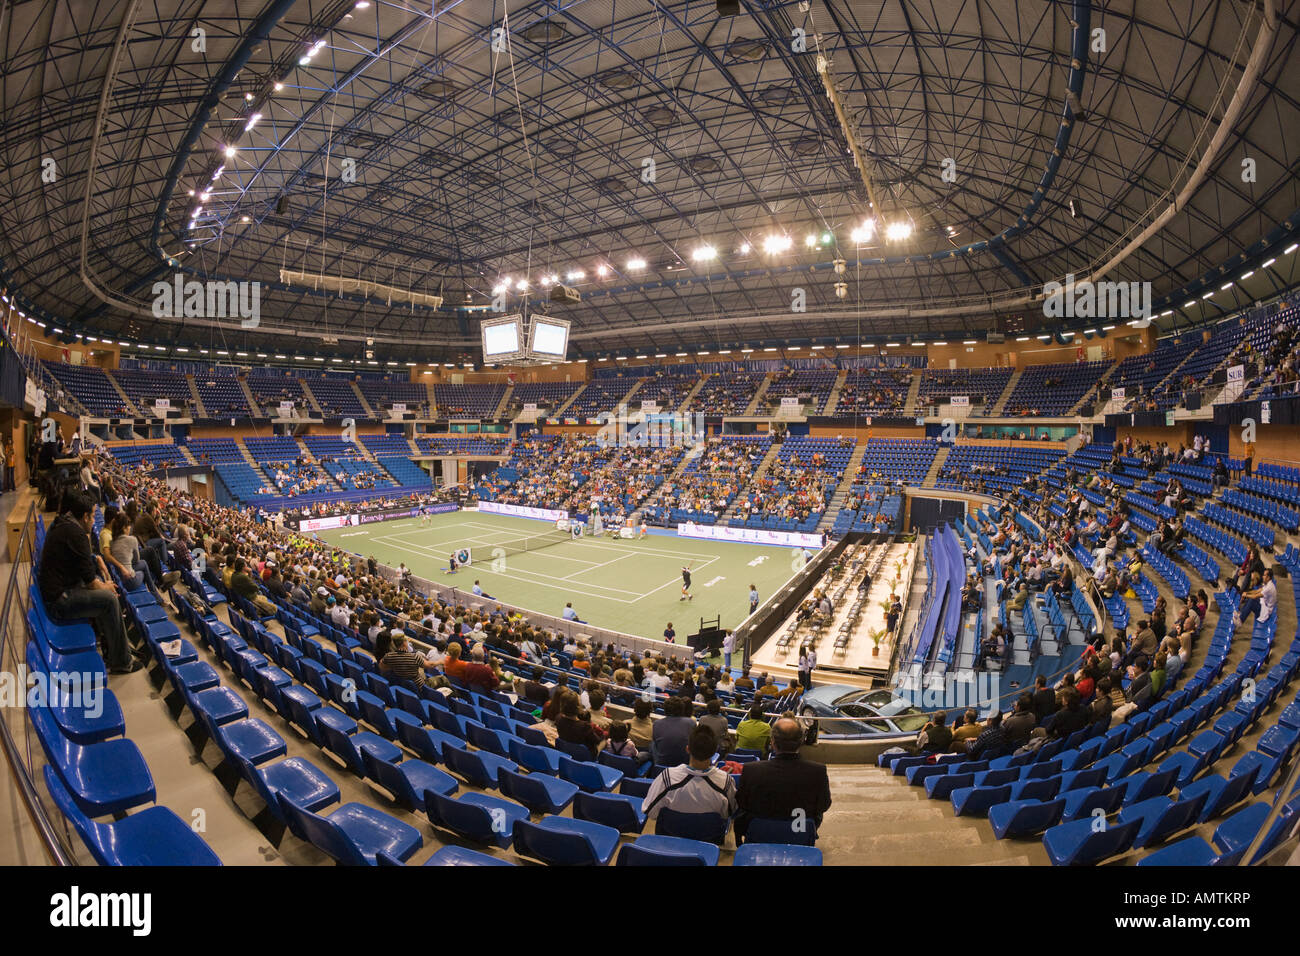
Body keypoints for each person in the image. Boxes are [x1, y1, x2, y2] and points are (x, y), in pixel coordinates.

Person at [37, 494, 139, 673]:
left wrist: (96, 559)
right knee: (109, 599)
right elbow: (91, 583)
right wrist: (106, 585)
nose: (93, 520)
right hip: (59, 600)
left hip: (61, 589)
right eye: (92, 516)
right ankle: (122, 662)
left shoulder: (62, 524)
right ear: (84, 516)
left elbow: (80, 563)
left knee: (104, 588)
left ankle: (113, 648)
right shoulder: (77, 534)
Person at [734, 717, 832, 844]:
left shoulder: (751, 770)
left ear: (772, 742)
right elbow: (824, 805)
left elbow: (742, 803)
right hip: (799, 831)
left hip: (760, 834)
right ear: (801, 741)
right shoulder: (818, 772)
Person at [641, 725, 737, 829]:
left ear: (687, 749)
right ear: (714, 752)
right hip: (709, 840)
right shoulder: (726, 782)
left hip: (669, 836)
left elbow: (650, 811)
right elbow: (729, 813)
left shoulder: (667, 777)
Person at [651, 695, 695, 767]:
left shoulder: (656, 724)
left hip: (662, 766)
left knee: (653, 744)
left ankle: (654, 766)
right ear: (682, 709)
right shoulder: (691, 723)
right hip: (684, 766)